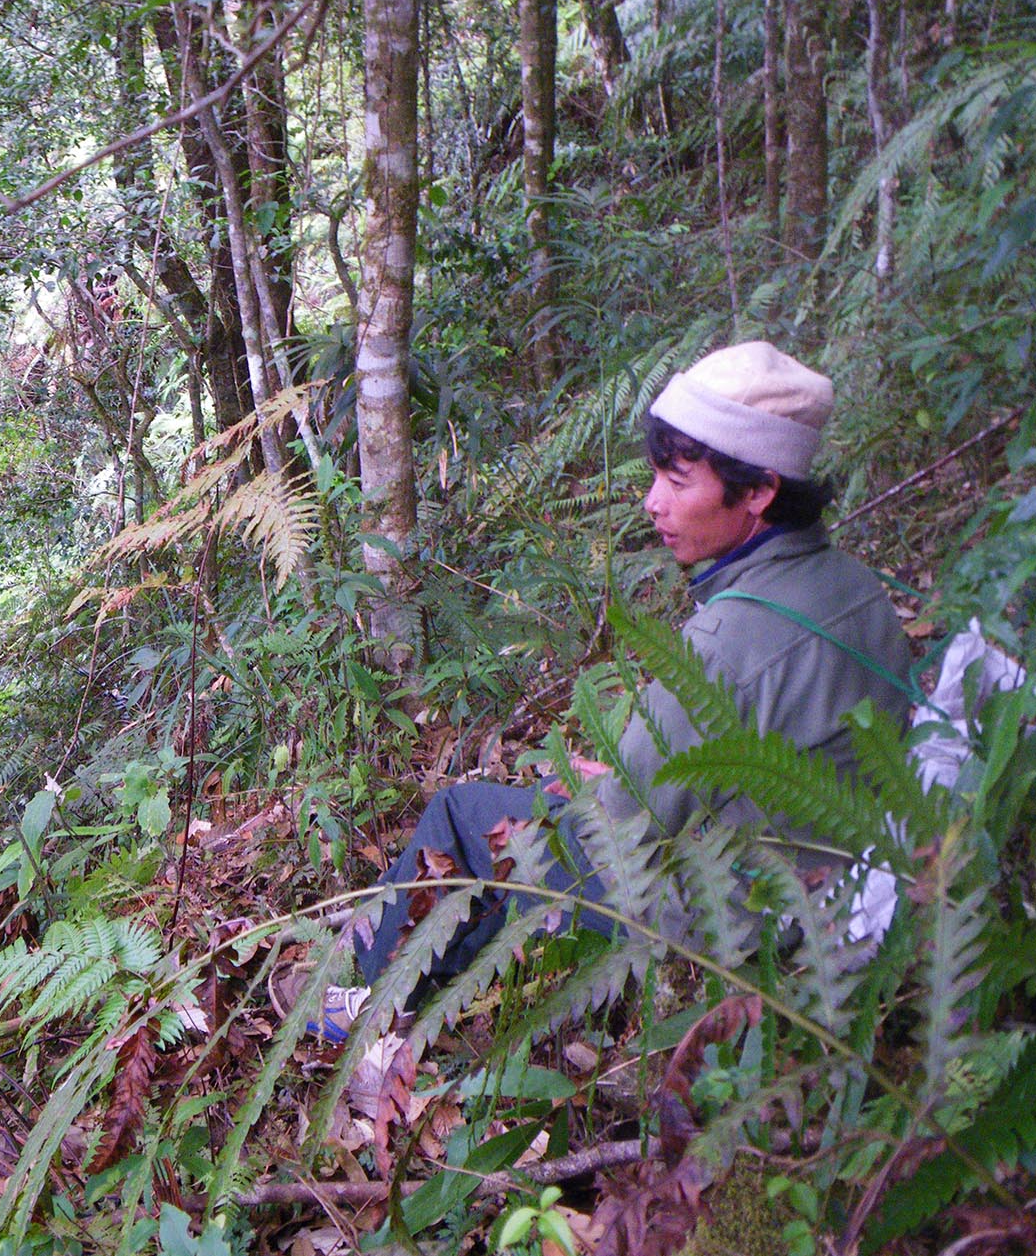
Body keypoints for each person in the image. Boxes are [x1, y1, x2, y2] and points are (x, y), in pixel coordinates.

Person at [322, 342, 913, 1036]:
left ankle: (366, 1006)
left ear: (757, 491)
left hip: (739, 918)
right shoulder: (856, 585)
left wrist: (594, 789)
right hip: (838, 888)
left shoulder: (725, 643)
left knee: (462, 813)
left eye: (679, 481)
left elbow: (623, 822)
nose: (651, 501)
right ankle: (441, 985)